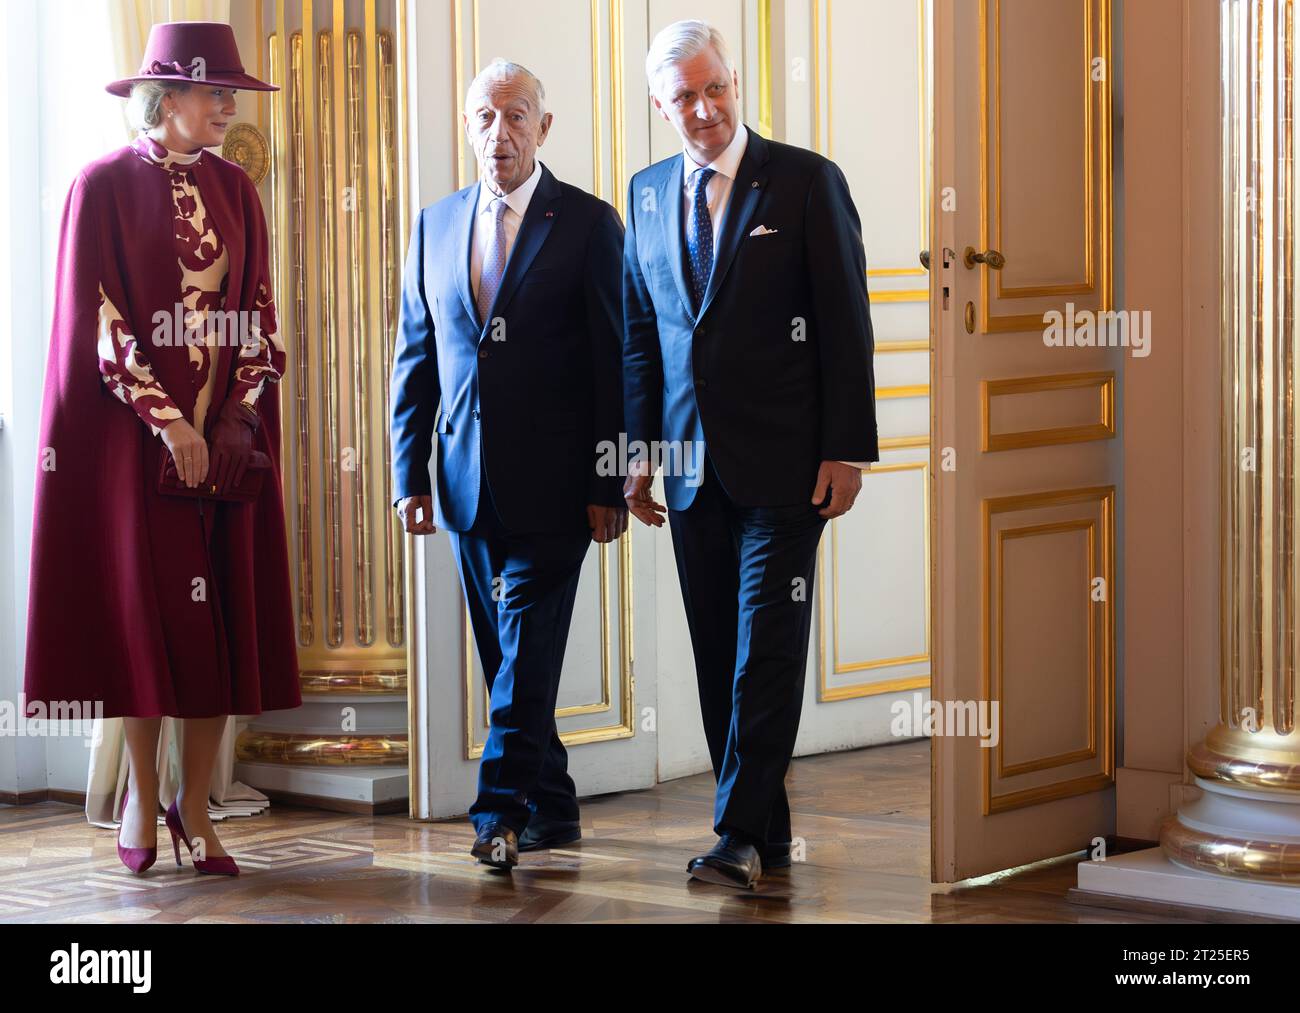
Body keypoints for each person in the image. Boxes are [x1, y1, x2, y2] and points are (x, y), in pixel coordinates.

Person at [24, 21, 301, 877]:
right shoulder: (98, 186)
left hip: (227, 449)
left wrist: (233, 420)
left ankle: (197, 804)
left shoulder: (238, 189)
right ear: (165, 95)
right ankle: (143, 796)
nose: (226, 106)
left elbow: (259, 312)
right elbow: (96, 321)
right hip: (134, 451)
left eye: (231, 94)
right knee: (147, 624)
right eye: (213, 91)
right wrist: (170, 422)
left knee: (219, 623)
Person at [622, 20, 878, 888]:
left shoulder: (805, 180)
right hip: (690, 467)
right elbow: (640, 336)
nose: (704, 108)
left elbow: (846, 319)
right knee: (714, 650)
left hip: (787, 463)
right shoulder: (647, 193)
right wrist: (637, 449)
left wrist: (846, 448)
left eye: (715, 87)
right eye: (684, 96)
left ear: (736, 80)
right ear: (660, 106)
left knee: (766, 643)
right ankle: (768, 832)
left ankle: (732, 831)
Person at [390, 59, 626, 869]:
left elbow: (612, 362)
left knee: (522, 654)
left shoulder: (591, 224)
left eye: (517, 115)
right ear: (467, 127)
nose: (501, 133)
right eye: (485, 117)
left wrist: (608, 480)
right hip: (463, 484)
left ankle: (496, 815)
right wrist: (407, 475)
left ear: (544, 127)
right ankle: (554, 807)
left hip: (560, 490)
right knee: (508, 661)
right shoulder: (435, 225)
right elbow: (414, 359)